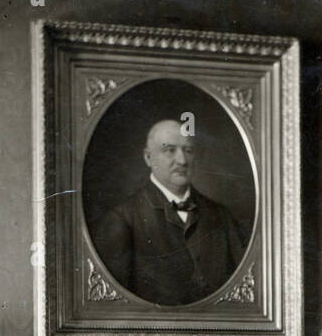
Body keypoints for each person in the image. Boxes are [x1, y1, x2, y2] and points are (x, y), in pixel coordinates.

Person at [91, 119, 248, 306]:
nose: (182, 160)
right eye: (169, 150)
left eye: (188, 150)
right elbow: (113, 307)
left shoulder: (222, 217)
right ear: (148, 157)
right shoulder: (122, 219)